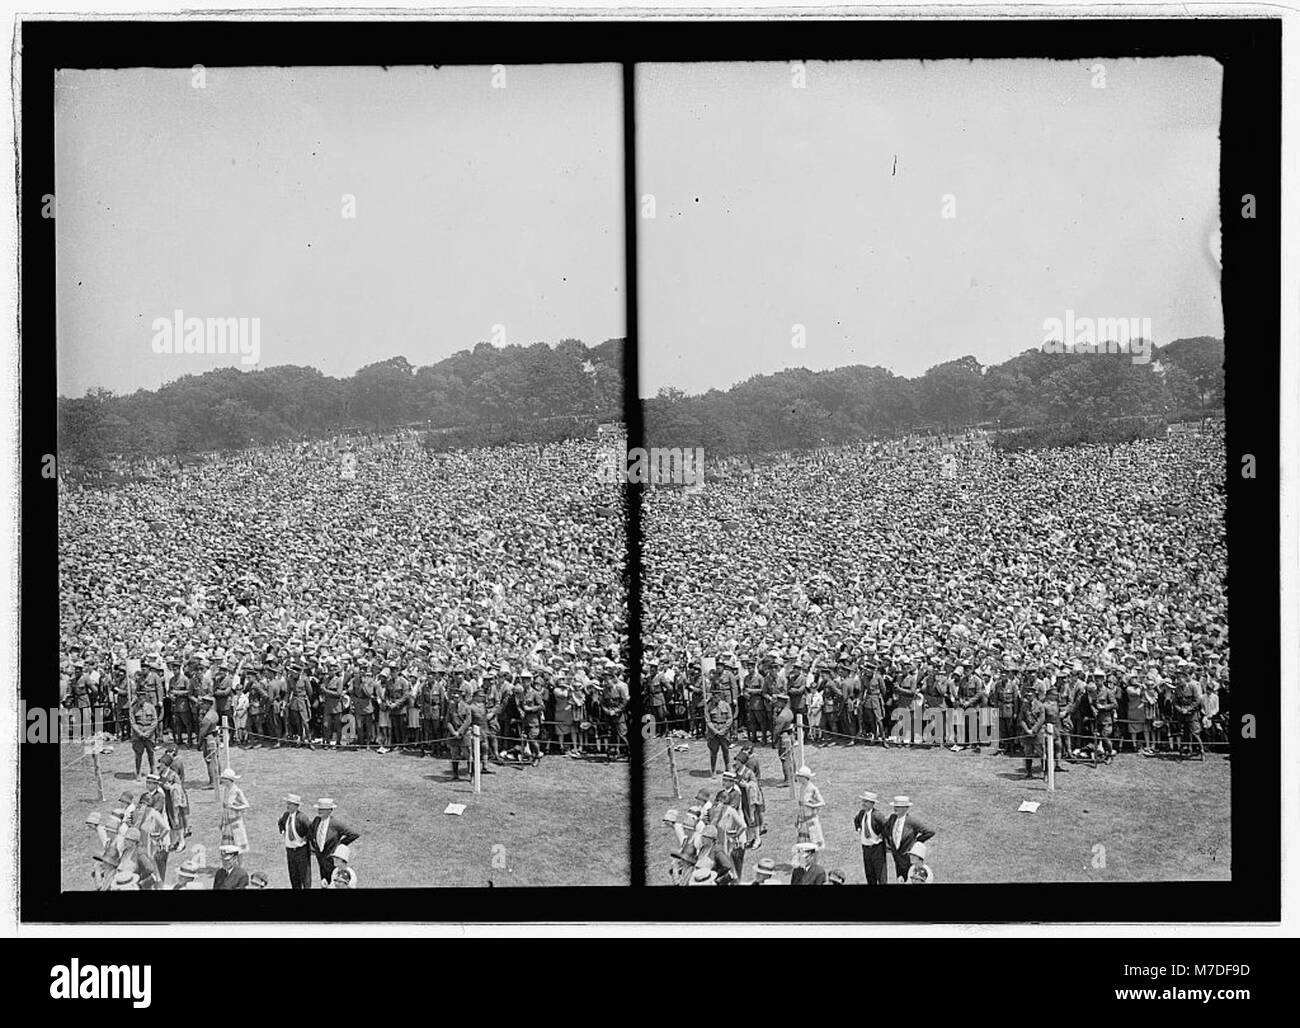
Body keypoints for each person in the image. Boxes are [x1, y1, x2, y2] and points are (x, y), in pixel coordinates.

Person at [309, 797, 360, 887]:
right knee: (324, 883)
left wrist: (339, 846)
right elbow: (311, 833)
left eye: (322, 809)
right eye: (319, 809)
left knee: (335, 882)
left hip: (332, 860)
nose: (319, 811)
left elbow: (353, 834)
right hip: (321, 859)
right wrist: (314, 846)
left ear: (330, 811)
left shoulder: (336, 824)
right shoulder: (316, 820)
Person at [884, 796, 935, 882]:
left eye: (898, 807)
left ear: (906, 808)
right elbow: (886, 830)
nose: (895, 808)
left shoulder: (911, 821)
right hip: (897, 858)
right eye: (895, 806)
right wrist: (889, 843)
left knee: (911, 880)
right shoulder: (892, 818)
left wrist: (916, 843)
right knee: (900, 880)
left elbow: (930, 832)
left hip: (909, 859)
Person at [853, 790, 889, 885]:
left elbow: (887, 827)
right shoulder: (862, 813)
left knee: (881, 875)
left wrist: (881, 837)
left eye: (866, 802)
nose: (863, 803)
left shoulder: (877, 815)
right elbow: (856, 821)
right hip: (866, 849)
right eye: (863, 801)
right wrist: (859, 829)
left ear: (872, 804)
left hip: (877, 849)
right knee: (869, 874)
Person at [277, 793, 313, 890]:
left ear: (296, 806)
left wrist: (306, 839)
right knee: (294, 877)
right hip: (290, 852)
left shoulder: (302, 817)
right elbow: (280, 823)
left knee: (305, 877)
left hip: (301, 851)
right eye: (287, 803)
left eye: (290, 804)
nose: (287, 806)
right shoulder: (286, 815)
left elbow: (311, 829)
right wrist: (284, 832)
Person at [793, 765, 825, 851]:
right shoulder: (801, 788)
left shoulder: (813, 789)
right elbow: (800, 806)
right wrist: (798, 818)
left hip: (811, 822)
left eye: (799, 776)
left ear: (805, 777)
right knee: (803, 846)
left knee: (813, 845)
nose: (798, 778)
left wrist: (811, 805)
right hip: (803, 821)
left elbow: (822, 802)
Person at [219, 768, 250, 853]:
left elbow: (246, 805)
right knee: (227, 846)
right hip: (227, 822)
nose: (222, 780)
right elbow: (224, 808)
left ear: (229, 780)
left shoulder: (237, 791)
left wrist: (235, 808)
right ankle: (228, 865)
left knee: (239, 846)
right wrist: (222, 821)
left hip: (236, 822)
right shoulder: (225, 790)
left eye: (224, 779)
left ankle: (239, 865)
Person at [129, 692, 159, 778]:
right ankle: (138, 772)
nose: (140, 700)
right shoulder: (133, 708)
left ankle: (153, 770)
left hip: (149, 735)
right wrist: (140, 733)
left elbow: (154, 721)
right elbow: (132, 722)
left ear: (145, 698)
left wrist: (148, 732)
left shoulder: (151, 707)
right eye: (139, 698)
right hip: (138, 736)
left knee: (151, 753)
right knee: (138, 754)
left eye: (142, 698)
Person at [704, 689, 733, 775]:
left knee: (726, 750)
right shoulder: (708, 707)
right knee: (713, 751)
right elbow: (708, 721)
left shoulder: (726, 705)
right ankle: (713, 770)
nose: (716, 697)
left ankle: (728, 768)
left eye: (718, 695)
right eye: (714, 695)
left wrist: (724, 730)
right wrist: (715, 731)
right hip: (713, 733)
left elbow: (730, 718)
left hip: (724, 731)